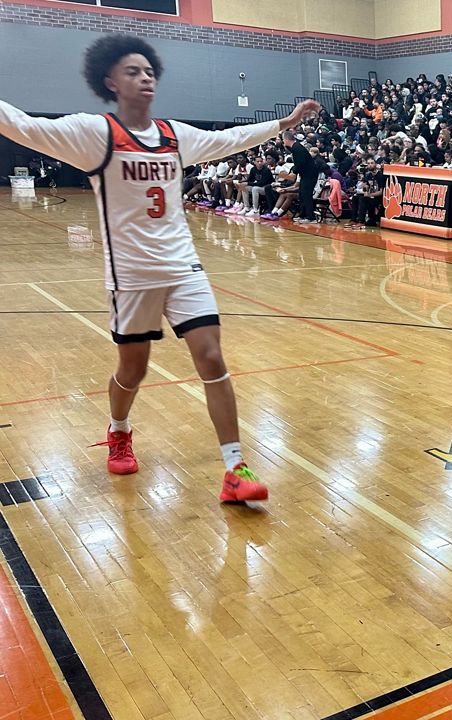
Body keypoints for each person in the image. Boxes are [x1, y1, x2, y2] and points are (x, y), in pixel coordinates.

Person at [0, 34, 322, 502]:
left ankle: (235, 469)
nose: (145, 77)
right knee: (133, 370)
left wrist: (282, 124)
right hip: (131, 275)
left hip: (182, 265)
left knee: (211, 356)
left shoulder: (174, 135)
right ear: (110, 80)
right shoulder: (95, 134)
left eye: (149, 71)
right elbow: (22, 124)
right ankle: (119, 429)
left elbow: (226, 139)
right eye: (133, 71)